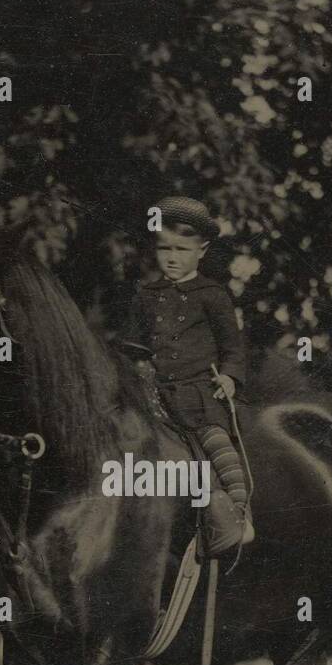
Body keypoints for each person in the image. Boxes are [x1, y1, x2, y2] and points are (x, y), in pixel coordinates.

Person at [120, 196, 254, 549]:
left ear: (202, 250)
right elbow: (131, 346)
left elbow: (233, 348)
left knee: (216, 444)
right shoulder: (145, 295)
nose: (172, 257)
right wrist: (134, 368)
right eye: (164, 248)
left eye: (182, 249)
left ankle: (236, 512)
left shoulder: (212, 295)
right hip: (152, 395)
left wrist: (229, 377)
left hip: (198, 395)